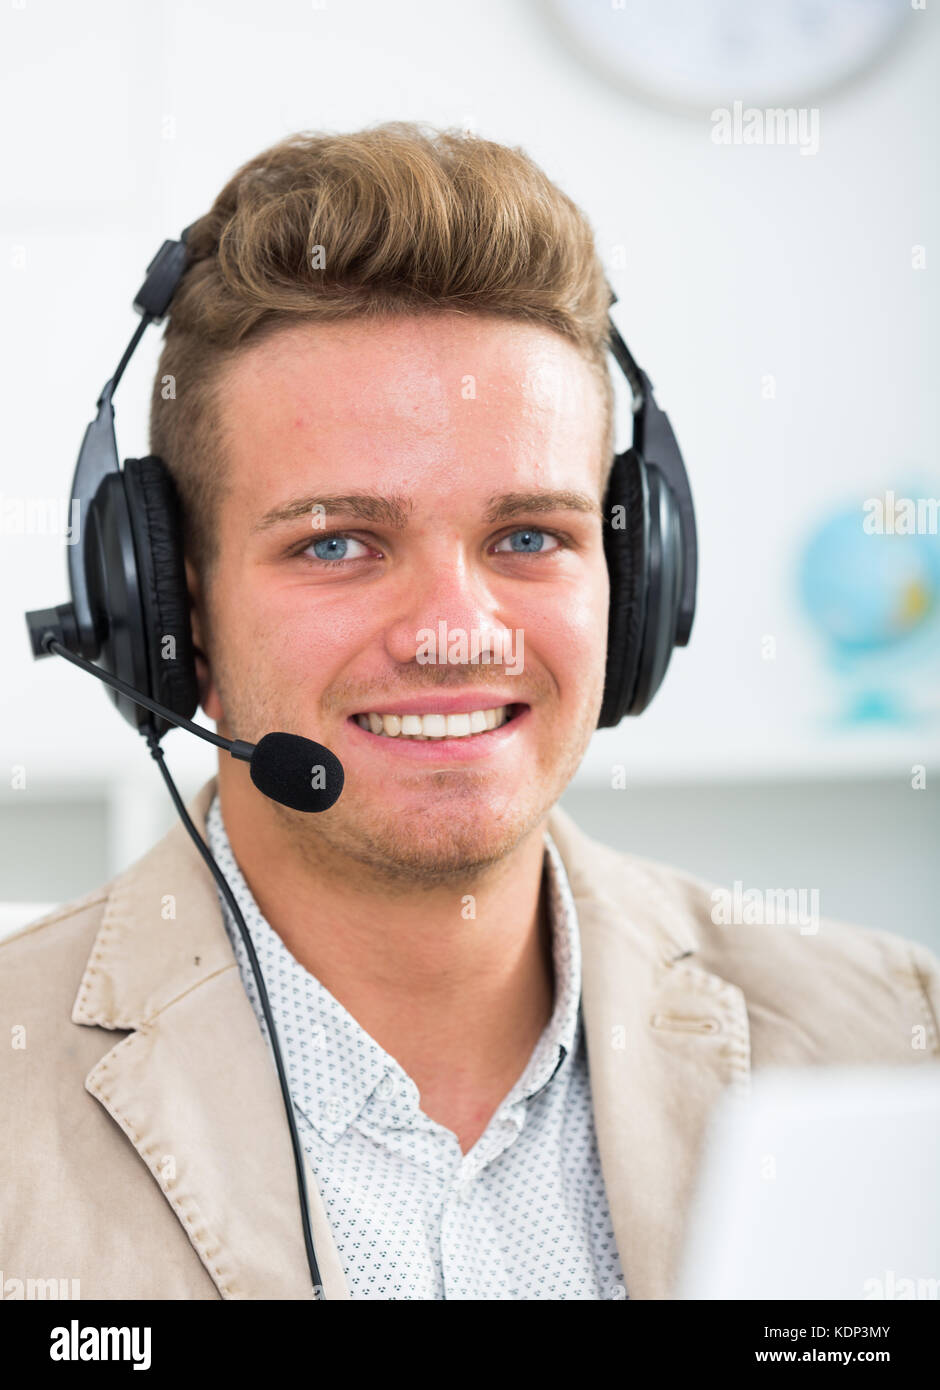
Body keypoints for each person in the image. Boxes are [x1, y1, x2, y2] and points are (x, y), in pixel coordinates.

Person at [2, 123, 937, 1302]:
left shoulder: (892, 1044)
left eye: (527, 537)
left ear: (634, 586)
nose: (455, 631)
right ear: (171, 621)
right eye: (336, 542)